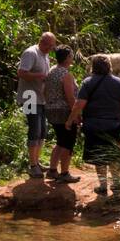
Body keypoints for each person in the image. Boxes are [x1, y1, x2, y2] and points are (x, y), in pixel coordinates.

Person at [68, 55, 120, 202]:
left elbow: (79, 105)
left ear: (94, 67)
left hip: (93, 126)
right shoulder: (118, 83)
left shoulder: (88, 83)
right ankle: (116, 189)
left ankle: (103, 186)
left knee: (99, 157)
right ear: (109, 66)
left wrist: (70, 120)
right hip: (113, 126)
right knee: (113, 157)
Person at [16, 31, 55, 178]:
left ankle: (36, 162)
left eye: (52, 47)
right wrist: (39, 76)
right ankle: (32, 166)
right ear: (42, 42)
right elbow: (21, 72)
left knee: (43, 131)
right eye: (49, 46)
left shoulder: (44, 55)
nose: (51, 49)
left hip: (40, 97)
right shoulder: (30, 53)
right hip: (29, 97)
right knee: (35, 130)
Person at [43, 46, 80, 183]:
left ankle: (52, 170)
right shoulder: (66, 74)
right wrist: (75, 114)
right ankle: (64, 173)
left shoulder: (52, 70)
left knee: (60, 140)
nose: (72, 58)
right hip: (64, 112)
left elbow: (45, 90)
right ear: (66, 58)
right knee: (68, 143)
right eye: (71, 56)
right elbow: (70, 97)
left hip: (51, 110)